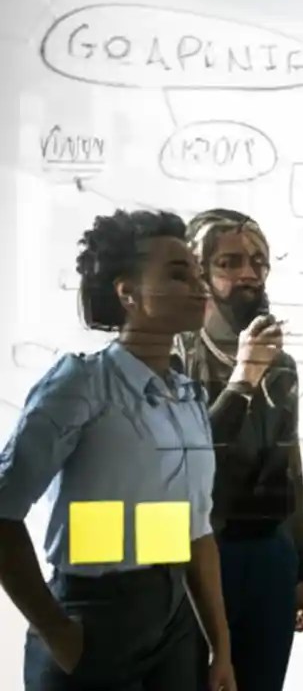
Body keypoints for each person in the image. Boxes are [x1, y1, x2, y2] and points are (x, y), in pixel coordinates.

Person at [0, 210, 236, 691]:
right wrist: (58, 633)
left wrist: (220, 646)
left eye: (198, 274)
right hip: (94, 613)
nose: (199, 287)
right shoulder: (81, 384)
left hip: (173, 617)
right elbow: (3, 510)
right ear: (128, 293)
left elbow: (196, 531)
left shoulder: (187, 396)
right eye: (178, 274)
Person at [178, 209, 303, 691]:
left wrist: (302, 569)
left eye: (258, 262)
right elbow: (189, 464)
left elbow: (290, 465)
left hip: (270, 555)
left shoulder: (283, 365)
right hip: (198, 555)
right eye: (229, 262)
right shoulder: (175, 356)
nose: (249, 274)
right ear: (198, 271)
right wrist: (243, 377)